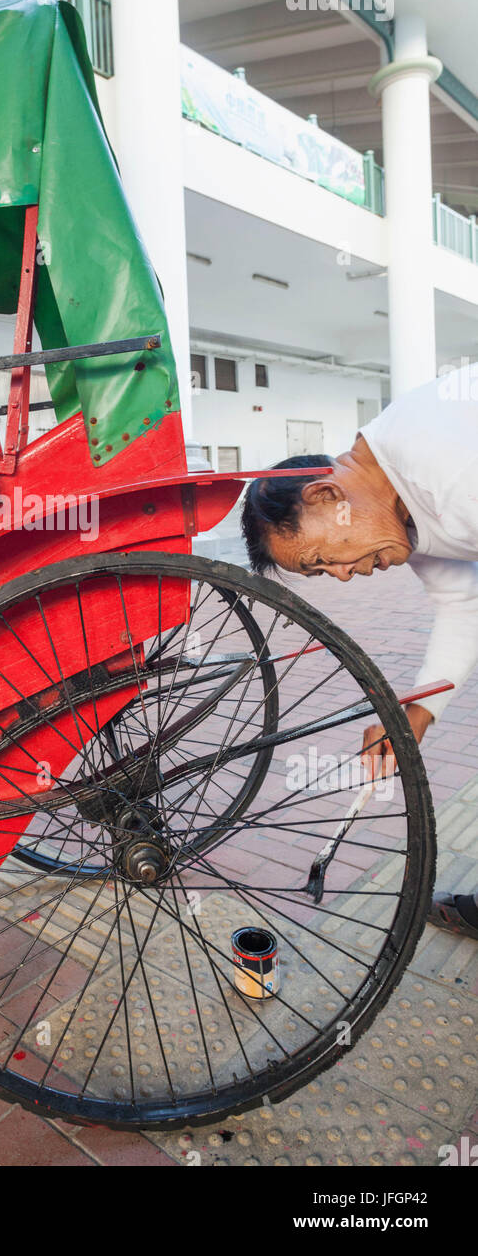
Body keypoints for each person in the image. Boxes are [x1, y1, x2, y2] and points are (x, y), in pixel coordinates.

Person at [240, 360, 478, 939]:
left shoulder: (446, 457)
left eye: (324, 558)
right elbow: (463, 602)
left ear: (326, 496)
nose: (344, 576)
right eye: (323, 574)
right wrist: (416, 710)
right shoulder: (403, 510)